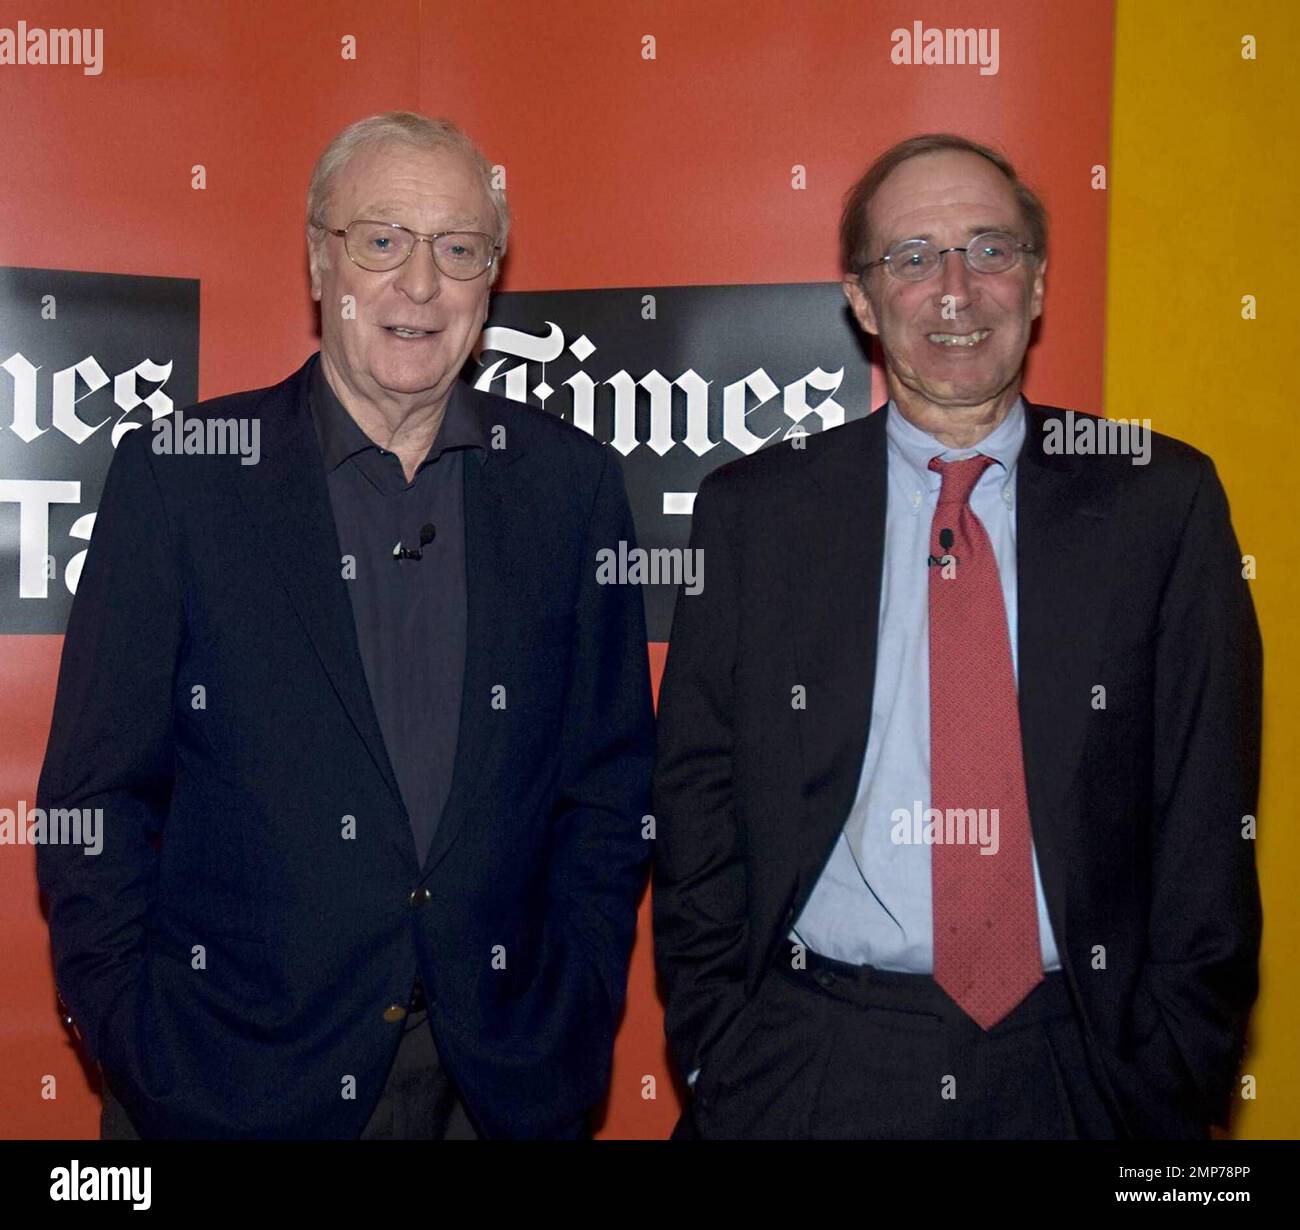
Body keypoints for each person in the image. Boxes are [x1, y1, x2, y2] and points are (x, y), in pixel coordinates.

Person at [36, 111, 654, 1140]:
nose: (420, 284)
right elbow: (95, 798)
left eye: (458, 248)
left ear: (490, 278)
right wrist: (136, 1040)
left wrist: (574, 1004)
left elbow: (609, 785)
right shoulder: (182, 477)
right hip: (224, 1086)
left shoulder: (569, 488)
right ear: (320, 263)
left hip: (493, 1088)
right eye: (381, 241)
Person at [652, 133, 1261, 1140]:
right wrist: (724, 1050)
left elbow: (1207, 814)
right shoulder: (754, 514)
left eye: (989, 248)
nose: (953, 288)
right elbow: (694, 809)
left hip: (1086, 1066)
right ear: (860, 299)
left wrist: (1171, 1070)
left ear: (1036, 283)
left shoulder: (1160, 503)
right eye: (912, 255)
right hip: (812, 1059)